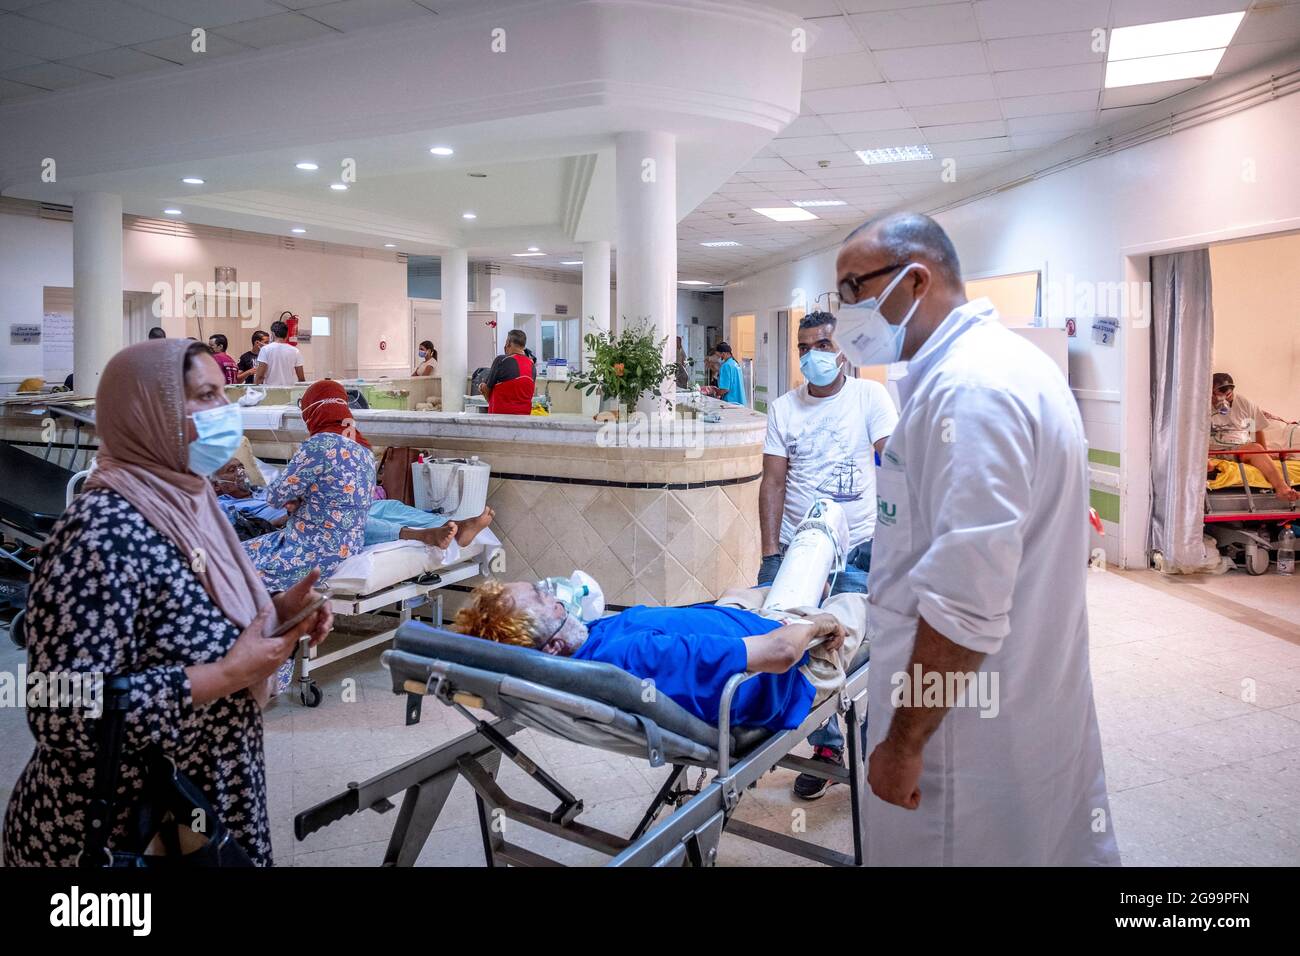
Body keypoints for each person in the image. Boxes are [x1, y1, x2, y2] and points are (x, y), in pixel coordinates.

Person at [835, 212, 1118, 866]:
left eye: (852, 290)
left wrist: (903, 744)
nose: (845, 312)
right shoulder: (1010, 364)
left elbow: (965, 604)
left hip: (961, 744)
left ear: (913, 280)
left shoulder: (970, 392)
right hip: (1025, 705)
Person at [2, 340, 331, 867]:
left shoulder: (192, 501)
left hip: (200, 804)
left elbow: (184, 616)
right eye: (206, 395)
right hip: (120, 832)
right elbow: (61, 707)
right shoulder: (100, 533)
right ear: (148, 413)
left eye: (224, 393)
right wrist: (228, 673)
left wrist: (276, 608)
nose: (225, 410)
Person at [758, 309, 898, 798]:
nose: (812, 355)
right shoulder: (783, 409)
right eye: (804, 347)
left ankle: (876, 742)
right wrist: (771, 553)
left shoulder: (869, 397)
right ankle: (825, 746)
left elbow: (896, 459)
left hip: (861, 545)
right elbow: (773, 482)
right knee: (804, 646)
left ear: (843, 351)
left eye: (822, 345)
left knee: (861, 647)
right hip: (803, 550)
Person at [452, 578, 866, 732]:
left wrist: (730, 608)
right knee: (867, 602)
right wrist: (819, 626)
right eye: (546, 600)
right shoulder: (633, 657)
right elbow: (779, 653)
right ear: (553, 644)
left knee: (764, 583)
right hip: (798, 665)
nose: (556, 595)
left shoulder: (589, 644)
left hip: (745, 617)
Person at [243, 380, 492, 590]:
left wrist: (296, 500)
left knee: (236, 567)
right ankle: (443, 528)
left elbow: (275, 497)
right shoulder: (363, 450)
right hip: (349, 543)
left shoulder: (318, 445)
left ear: (312, 410)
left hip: (311, 549)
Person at [213, 457, 493, 551]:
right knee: (349, 522)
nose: (240, 473)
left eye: (241, 468)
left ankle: (453, 526)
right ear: (214, 484)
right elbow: (256, 532)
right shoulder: (225, 507)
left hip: (319, 511)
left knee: (388, 506)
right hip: (294, 529)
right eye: (230, 471)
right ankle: (422, 534)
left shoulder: (263, 490)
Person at [1208, 372, 1298, 501]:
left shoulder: (1244, 404)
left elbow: (1255, 430)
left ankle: (1282, 489)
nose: (1219, 400)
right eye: (1215, 395)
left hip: (1237, 449)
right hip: (1209, 450)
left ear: (1231, 392)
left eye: (1225, 396)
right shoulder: (1200, 405)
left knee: (1255, 448)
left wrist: (1264, 452)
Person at [480, 329, 536, 414]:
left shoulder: (502, 360)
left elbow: (487, 389)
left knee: (483, 386)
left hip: (500, 419)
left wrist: (482, 387)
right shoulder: (532, 366)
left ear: (508, 342)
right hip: (524, 419)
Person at [253, 320, 305, 387]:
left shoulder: (265, 350)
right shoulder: (295, 351)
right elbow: (301, 379)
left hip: (270, 393)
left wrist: (254, 391)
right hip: (288, 393)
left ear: (273, 334)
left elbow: (260, 376)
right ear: (287, 335)